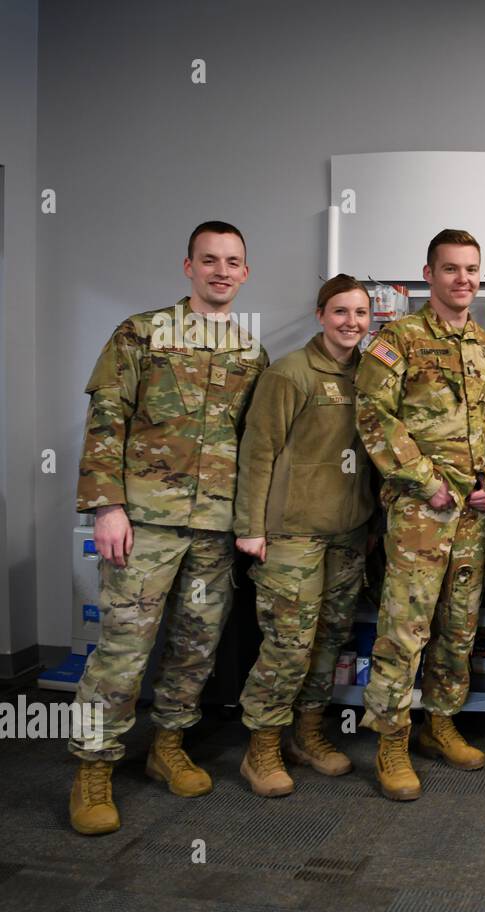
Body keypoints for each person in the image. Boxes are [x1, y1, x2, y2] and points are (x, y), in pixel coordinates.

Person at [68, 221, 269, 835]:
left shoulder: (249, 351)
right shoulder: (141, 332)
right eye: (209, 260)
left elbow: (257, 446)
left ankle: (167, 746)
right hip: (145, 521)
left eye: (233, 261)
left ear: (245, 272)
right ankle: (93, 769)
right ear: (188, 267)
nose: (221, 271)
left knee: (195, 645)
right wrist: (106, 506)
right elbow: (107, 417)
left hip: (214, 527)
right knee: (124, 648)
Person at [353, 229, 485, 800]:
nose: (462, 280)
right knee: (404, 627)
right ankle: (391, 739)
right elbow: (372, 415)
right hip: (420, 510)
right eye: (450, 269)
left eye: (471, 270)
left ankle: (440, 724)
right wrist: (426, 481)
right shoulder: (400, 339)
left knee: (459, 627)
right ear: (428, 274)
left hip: (470, 514)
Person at [232, 274, 376, 796]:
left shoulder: (373, 375)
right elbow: (257, 451)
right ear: (321, 315)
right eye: (340, 312)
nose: (351, 323)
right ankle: (262, 748)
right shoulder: (290, 373)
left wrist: (373, 526)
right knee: (288, 645)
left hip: (349, 533)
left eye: (360, 313)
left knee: (328, 641)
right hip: (291, 536)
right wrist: (250, 528)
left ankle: (307, 735)